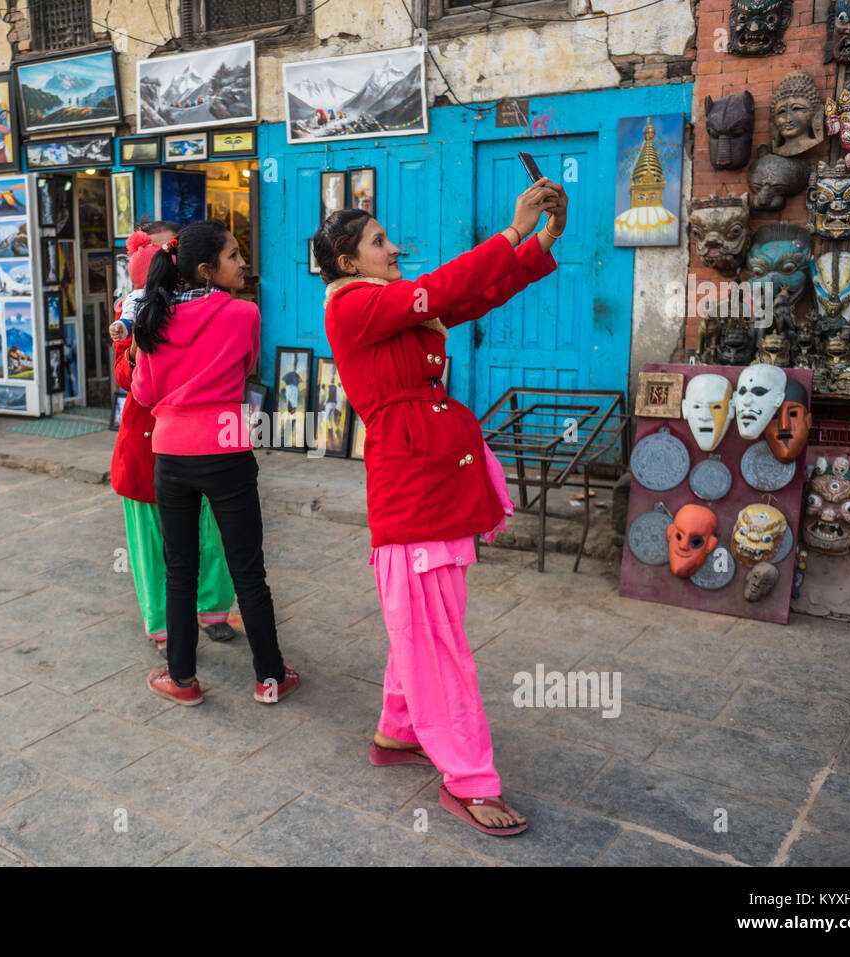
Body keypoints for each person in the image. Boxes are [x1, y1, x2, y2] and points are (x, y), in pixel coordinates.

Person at [314, 177, 567, 837]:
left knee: (428, 621)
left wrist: (541, 240)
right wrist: (512, 231)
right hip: (412, 483)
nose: (393, 247)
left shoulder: (389, 304)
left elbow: (475, 294)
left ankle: (399, 729)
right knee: (438, 635)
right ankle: (470, 779)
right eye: (378, 241)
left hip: (431, 473)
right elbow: (452, 285)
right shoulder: (351, 308)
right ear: (347, 263)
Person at [130, 219, 298, 706]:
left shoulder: (151, 319)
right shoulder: (243, 314)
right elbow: (246, 368)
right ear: (206, 270)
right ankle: (270, 678)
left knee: (179, 569)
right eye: (233, 255)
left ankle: (181, 680)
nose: (243, 263)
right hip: (226, 449)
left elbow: (143, 391)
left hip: (171, 452)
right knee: (248, 570)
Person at [109, 227, 239, 655]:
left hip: (202, 438)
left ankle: (213, 610)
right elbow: (126, 379)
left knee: (211, 530)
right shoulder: (132, 312)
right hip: (147, 440)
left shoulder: (212, 307)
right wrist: (137, 345)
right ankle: (162, 622)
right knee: (150, 540)